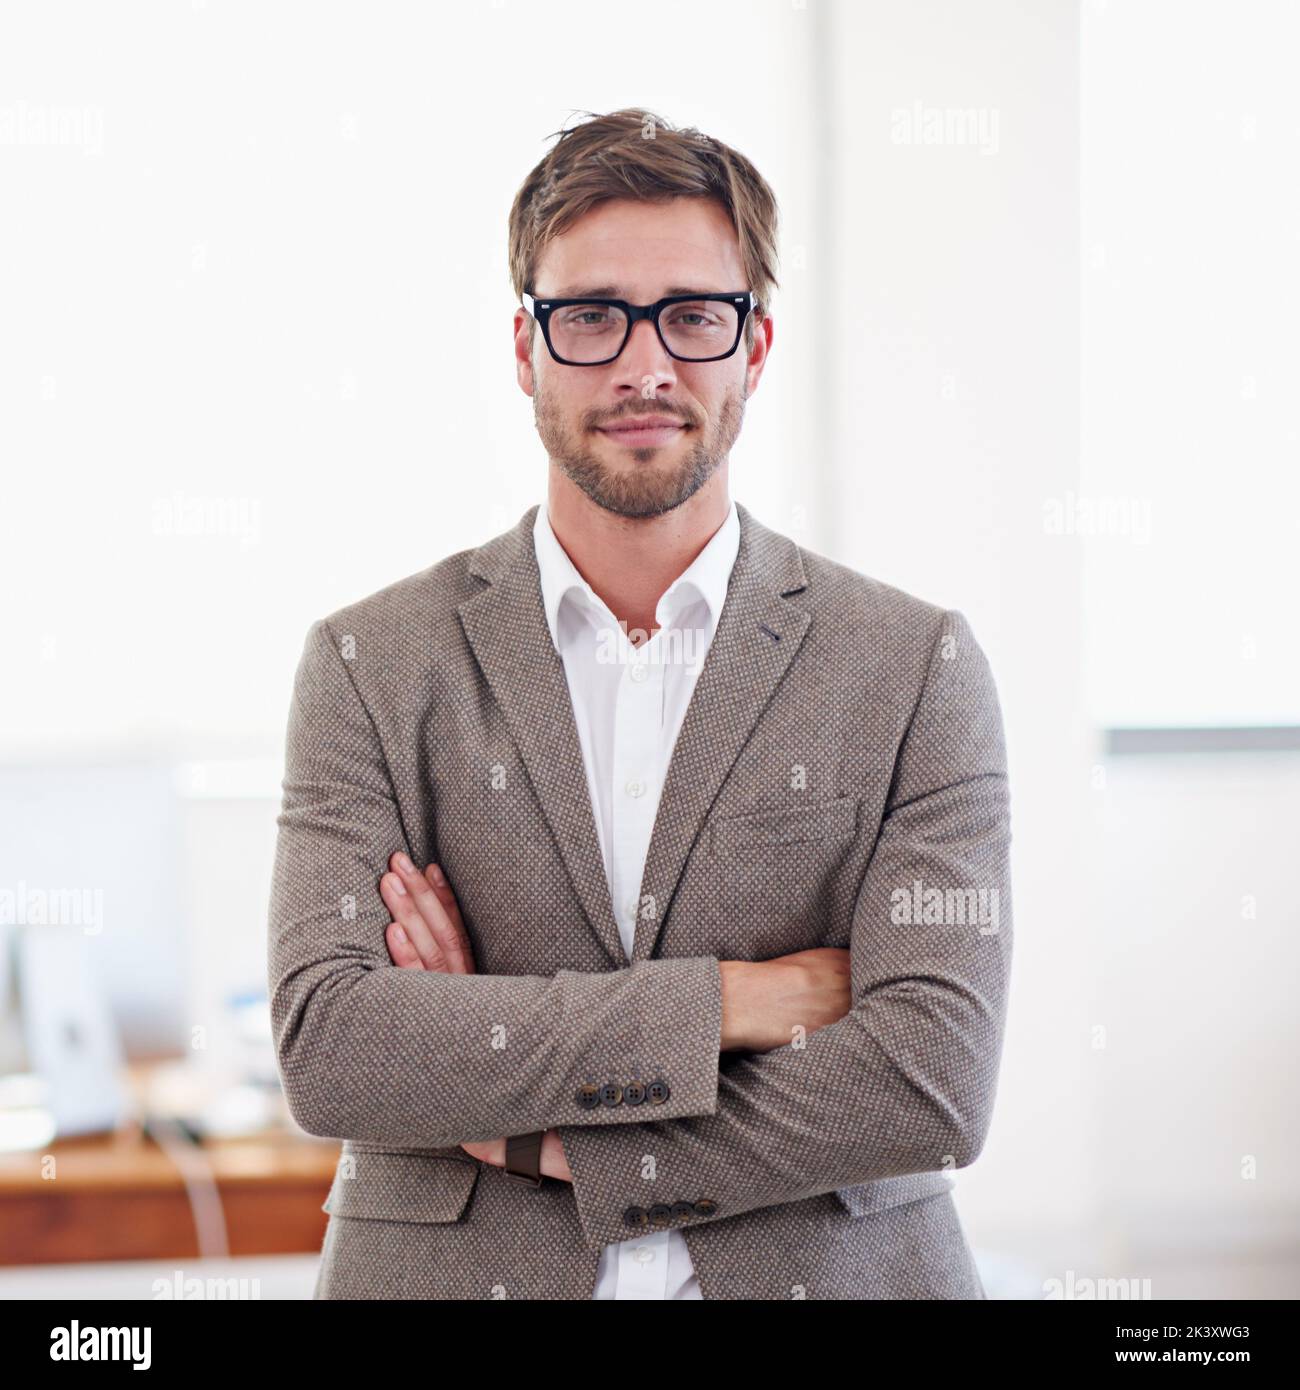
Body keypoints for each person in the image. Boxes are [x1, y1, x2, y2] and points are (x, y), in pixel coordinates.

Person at [268, 107, 1012, 1300]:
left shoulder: (915, 664)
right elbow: (335, 1050)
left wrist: (525, 1127)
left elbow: (928, 1080)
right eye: (592, 316)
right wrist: (738, 1000)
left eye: (692, 315)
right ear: (525, 346)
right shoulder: (370, 662)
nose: (643, 365)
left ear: (754, 348)